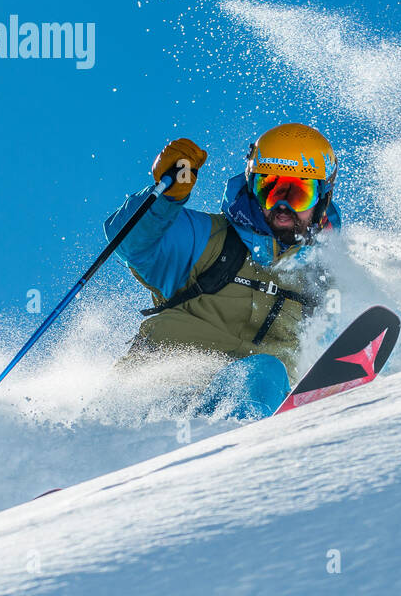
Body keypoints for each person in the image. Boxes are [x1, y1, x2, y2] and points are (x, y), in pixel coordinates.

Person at [104, 123, 340, 413]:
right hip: (156, 398)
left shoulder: (324, 274)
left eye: (297, 194)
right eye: (270, 189)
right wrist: (165, 199)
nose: (282, 206)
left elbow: (351, 338)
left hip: (262, 408)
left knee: (267, 374)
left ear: (322, 198)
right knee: (264, 372)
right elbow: (130, 243)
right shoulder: (205, 239)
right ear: (253, 188)